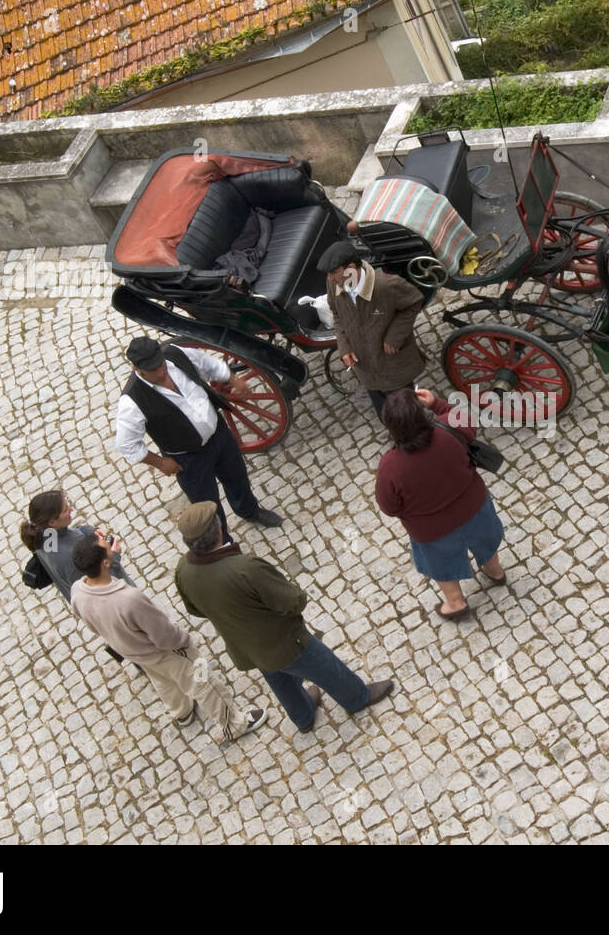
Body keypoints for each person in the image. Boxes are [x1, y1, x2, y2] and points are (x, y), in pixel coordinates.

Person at [171, 502, 395, 733]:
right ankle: (357, 697)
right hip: (284, 641)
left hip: (246, 646)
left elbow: (195, 610)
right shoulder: (245, 568)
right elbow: (293, 601)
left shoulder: (183, 570)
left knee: (278, 679)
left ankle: (303, 717)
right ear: (219, 531)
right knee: (326, 667)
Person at [70, 536, 268, 747]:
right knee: (205, 682)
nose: (108, 544)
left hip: (136, 654)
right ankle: (234, 724)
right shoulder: (129, 599)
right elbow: (163, 635)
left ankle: (181, 712)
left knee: (162, 681)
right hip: (169, 653)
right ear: (105, 563)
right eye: (105, 547)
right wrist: (184, 642)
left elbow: (92, 626)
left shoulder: (78, 591)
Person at [115, 335, 283, 538]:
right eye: (153, 369)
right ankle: (222, 541)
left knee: (237, 477)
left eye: (161, 365)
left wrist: (231, 378)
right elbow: (127, 444)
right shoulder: (132, 400)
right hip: (188, 459)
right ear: (136, 368)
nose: (160, 372)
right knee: (207, 505)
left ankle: (249, 510)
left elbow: (207, 364)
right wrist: (159, 463)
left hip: (218, 434)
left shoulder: (175, 354)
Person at [375, 388, 507, 621]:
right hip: (473, 506)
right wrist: (438, 404)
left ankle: (455, 603)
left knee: (440, 560)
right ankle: (495, 572)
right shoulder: (449, 430)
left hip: (431, 530)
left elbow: (389, 507)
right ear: (420, 414)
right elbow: (467, 421)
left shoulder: (390, 466)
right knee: (485, 539)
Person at [19, 489, 136, 667]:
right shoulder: (67, 558)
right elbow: (99, 581)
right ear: (52, 521)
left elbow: (70, 534)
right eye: (66, 510)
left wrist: (88, 531)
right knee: (132, 633)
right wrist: (114, 555)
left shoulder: (47, 536)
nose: (71, 509)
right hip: (112, 602)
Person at [318, 241, 426, 415]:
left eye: (333, 272)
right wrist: (344, 347)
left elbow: (414, 302)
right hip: (366, 369)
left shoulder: (387, 285)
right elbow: (337, 315)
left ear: (351, 267)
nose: (329, 278)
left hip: (393, 366)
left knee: (409, 415)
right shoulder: (333, 283)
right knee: (384, 414)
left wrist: (394, 337)